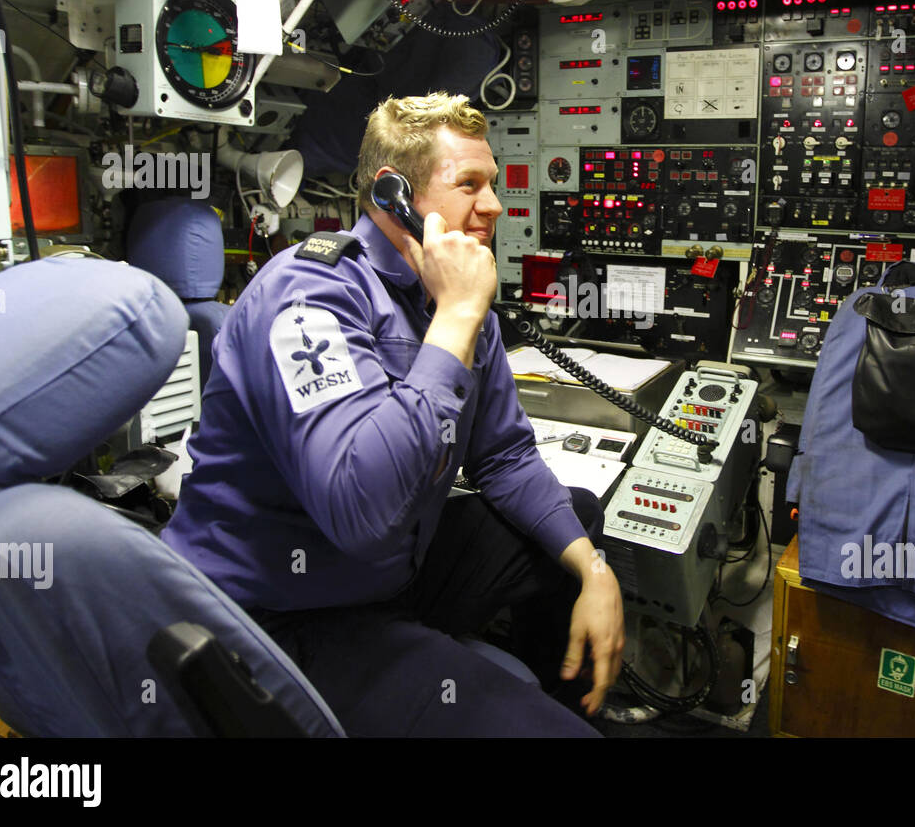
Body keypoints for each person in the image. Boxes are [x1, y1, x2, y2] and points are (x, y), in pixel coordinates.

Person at [162, 92, 624, 736]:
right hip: (279, 611)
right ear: (392, 195)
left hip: (390, 573)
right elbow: (362, 512)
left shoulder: (458, 299)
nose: (494, 205)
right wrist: (459, 316)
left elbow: (506, 456)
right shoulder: (307, 297)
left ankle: (563, 695)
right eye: (469, 184)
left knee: (575, 519)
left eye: (491, 184)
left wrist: (593, 570)